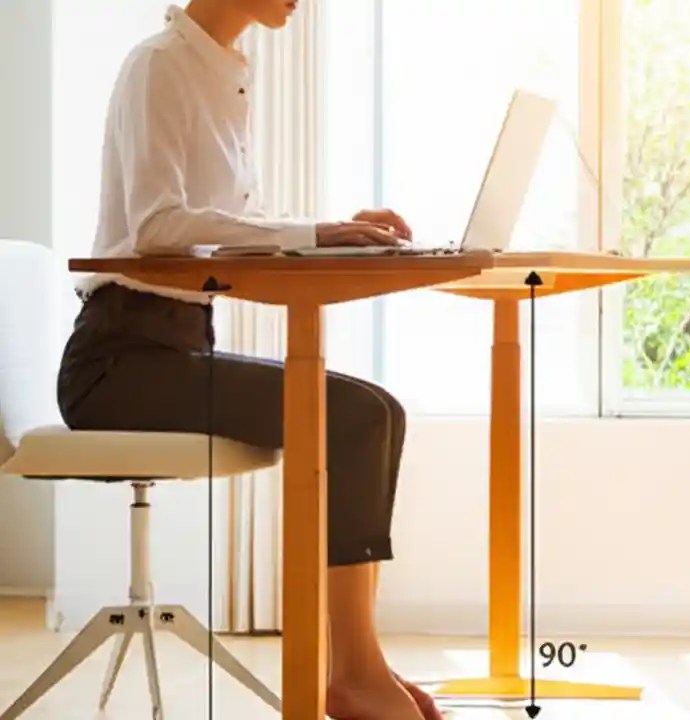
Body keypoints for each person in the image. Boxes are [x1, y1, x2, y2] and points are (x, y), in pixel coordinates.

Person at [56, 2, 442, 719]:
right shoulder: (160, 65)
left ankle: (358, 666)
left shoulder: (227, 74)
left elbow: (226, 232)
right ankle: (355, 672)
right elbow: (156, 226)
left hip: (175, 346)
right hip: (119, 365)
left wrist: (332, 232)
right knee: (353, 416)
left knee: (376, 410)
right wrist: (314, 230)